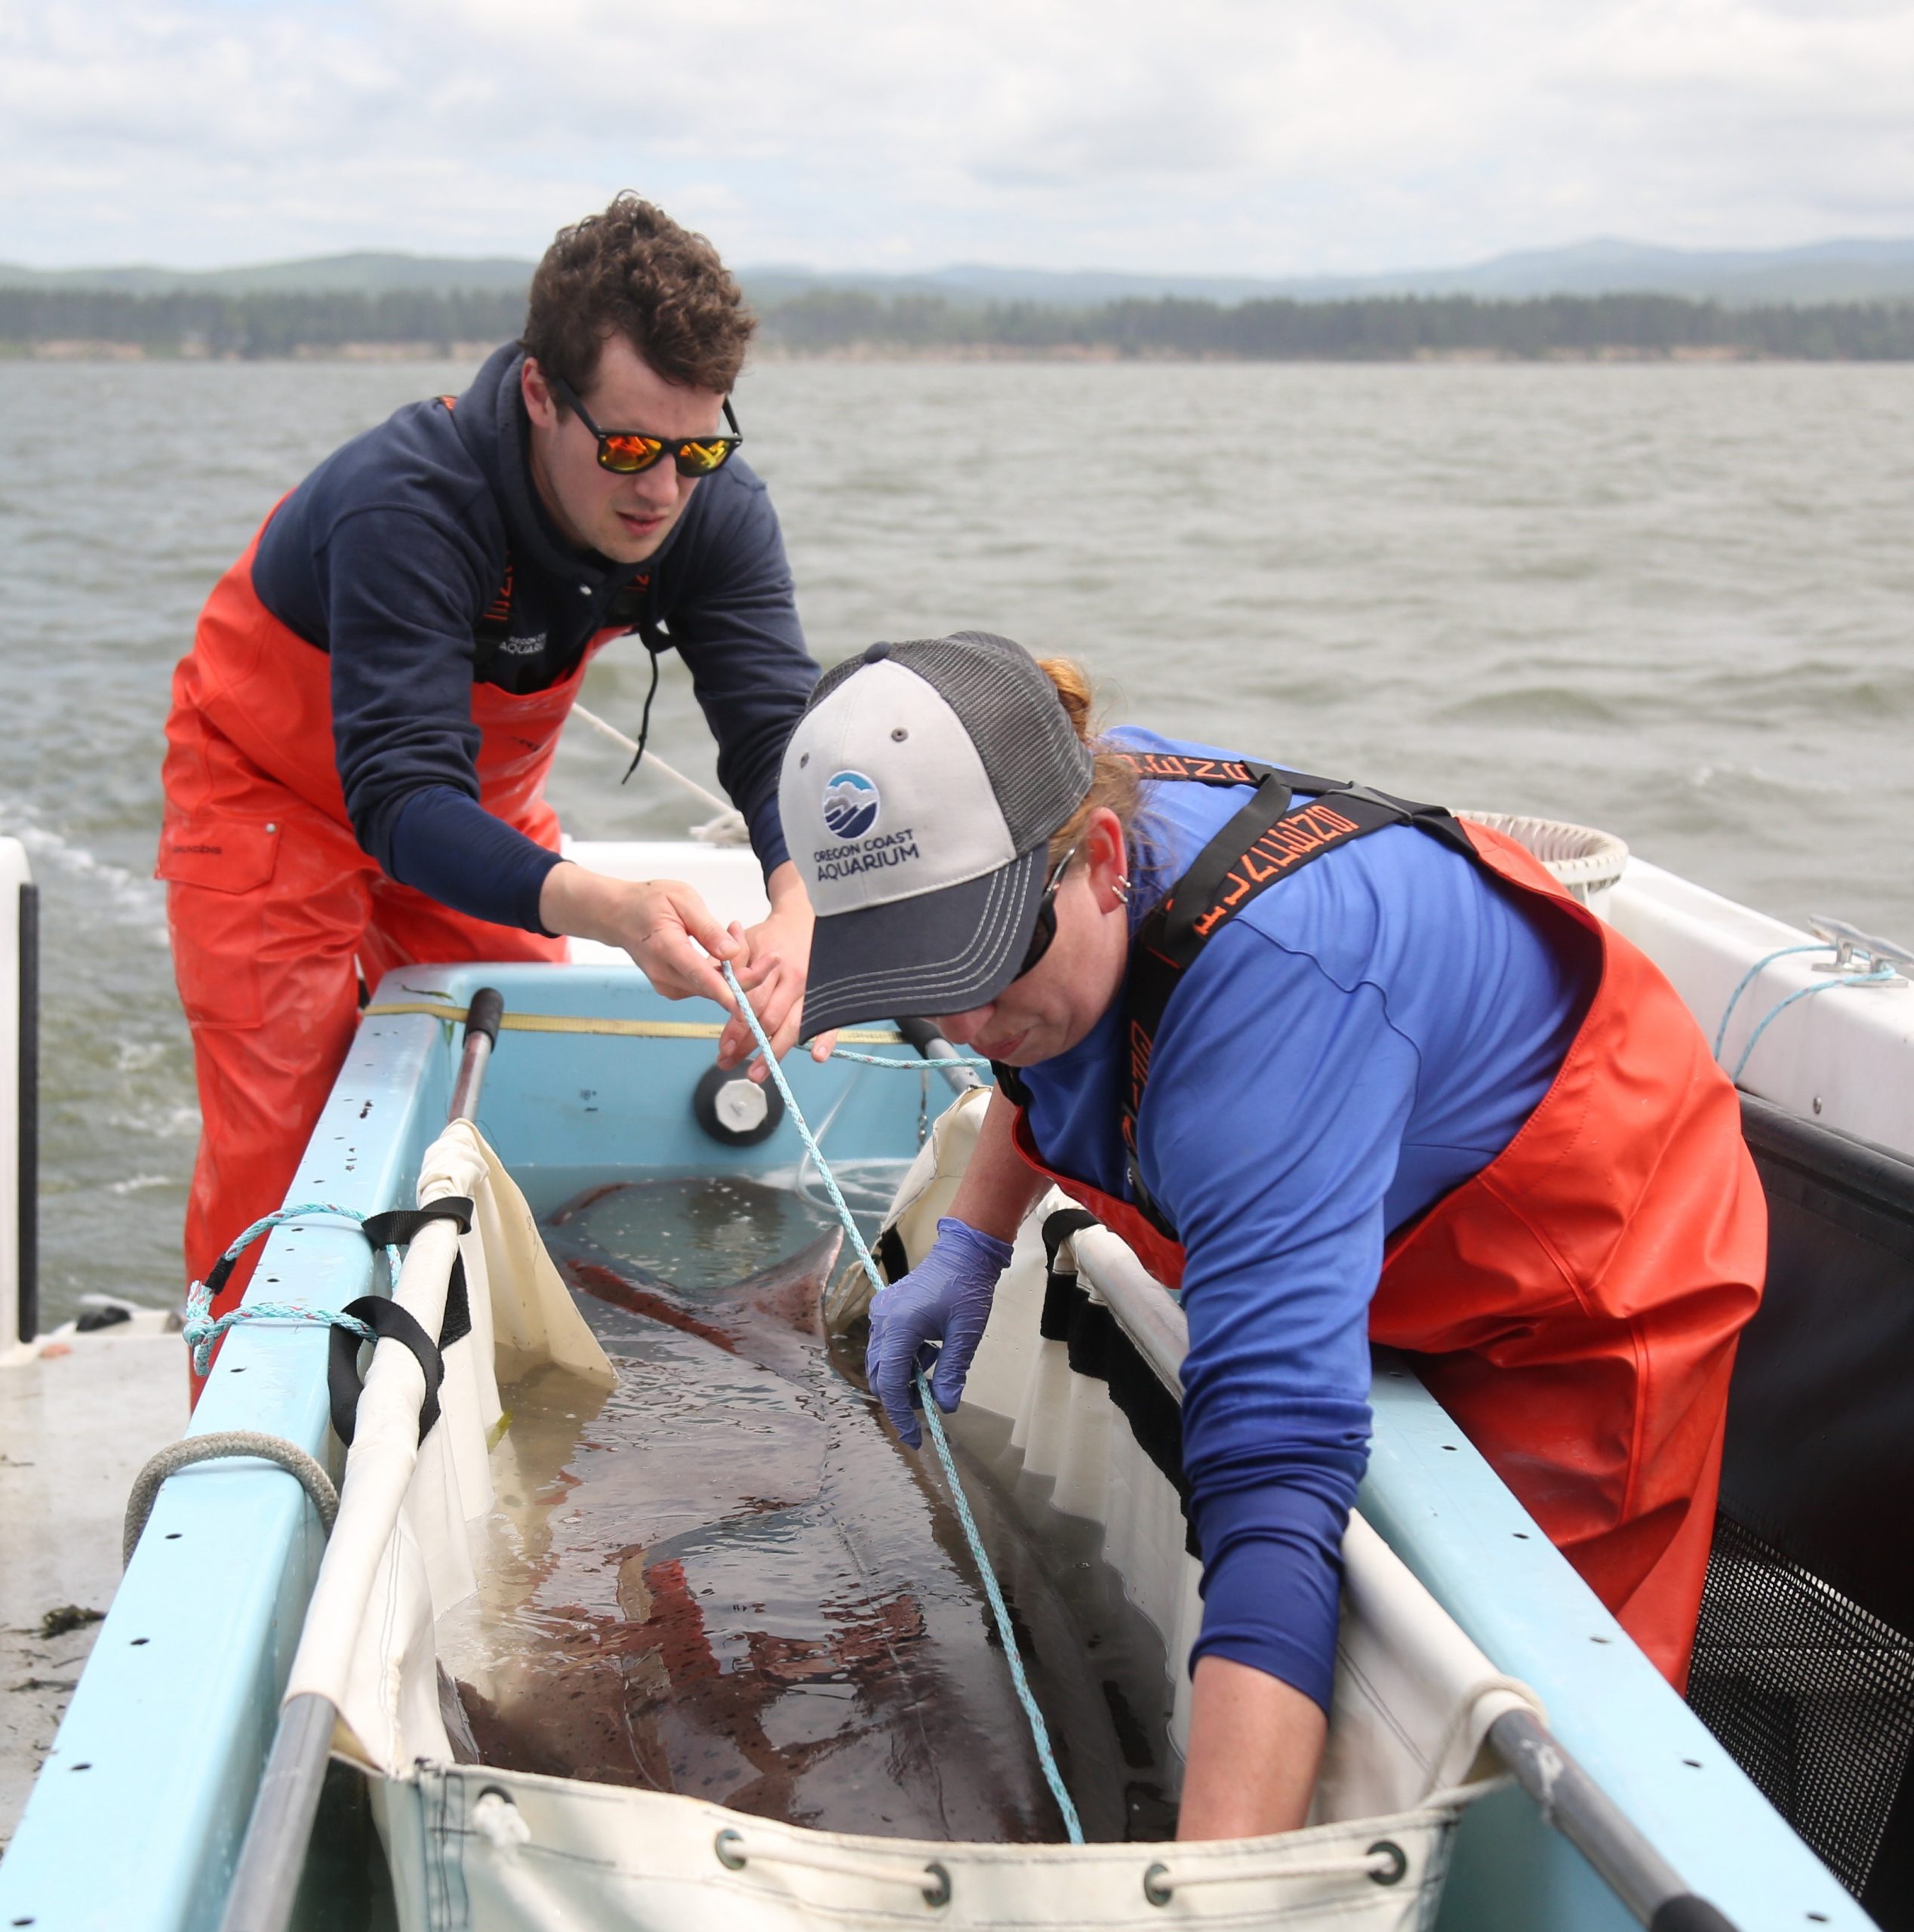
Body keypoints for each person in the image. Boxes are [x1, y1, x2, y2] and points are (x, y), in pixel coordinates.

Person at [776, 632, 1765, 1841]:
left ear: (1100, 863)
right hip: (1358, 1160)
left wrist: (1218, 1893)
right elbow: (1036, 1059)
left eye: (986, 957)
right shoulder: (1072, 808)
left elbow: (1271, 1471)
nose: (967, 1021)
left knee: (1545, 1755)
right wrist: (973, 1242)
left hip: (1584, 1257)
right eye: (921, 974)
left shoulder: (1273, 1018)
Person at [160, 195, 823, 1357]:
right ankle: (256, 1429)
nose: (662, 491)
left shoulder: (710, 509)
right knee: (285, 1160)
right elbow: (399, 798)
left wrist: (801, 901)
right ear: (538, 394)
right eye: (629, 447)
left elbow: (777, 736)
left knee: (519, 1098)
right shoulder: (406, 502)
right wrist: (612, 909)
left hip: (472, 807)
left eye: (698, 448)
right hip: (272, 797)